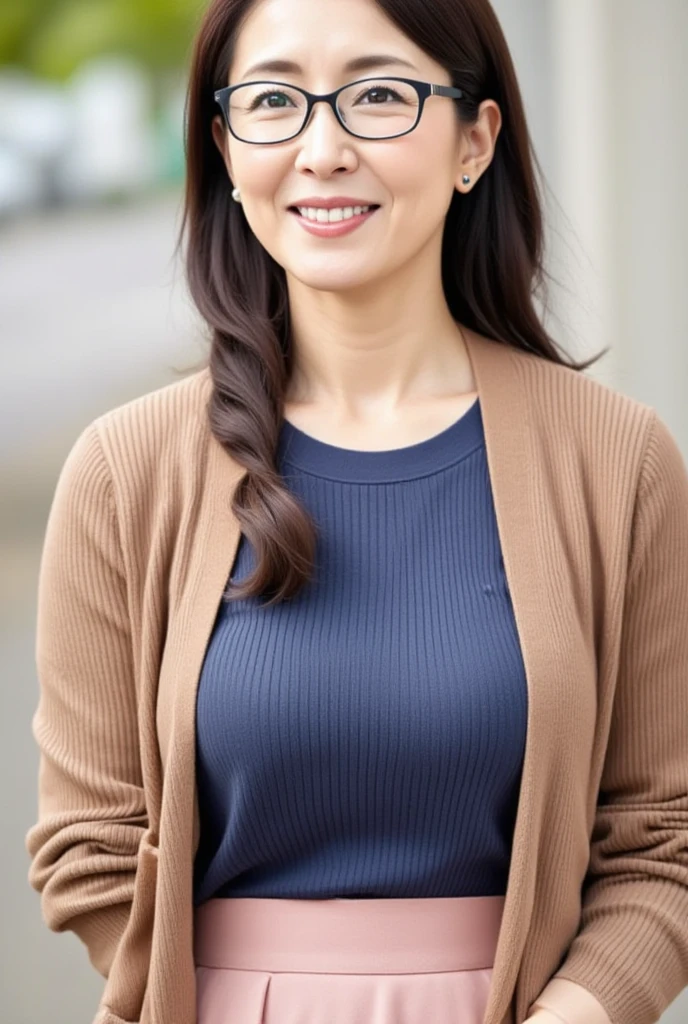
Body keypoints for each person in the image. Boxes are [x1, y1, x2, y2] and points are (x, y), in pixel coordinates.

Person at [25, 0, 688, 1022]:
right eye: (273, 101)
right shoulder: (125, 472)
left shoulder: (616, 460)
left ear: (475, 140)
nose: (322, 148)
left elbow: (664, 835)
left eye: (378, 95)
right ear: (223, 144)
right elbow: (90, 843)